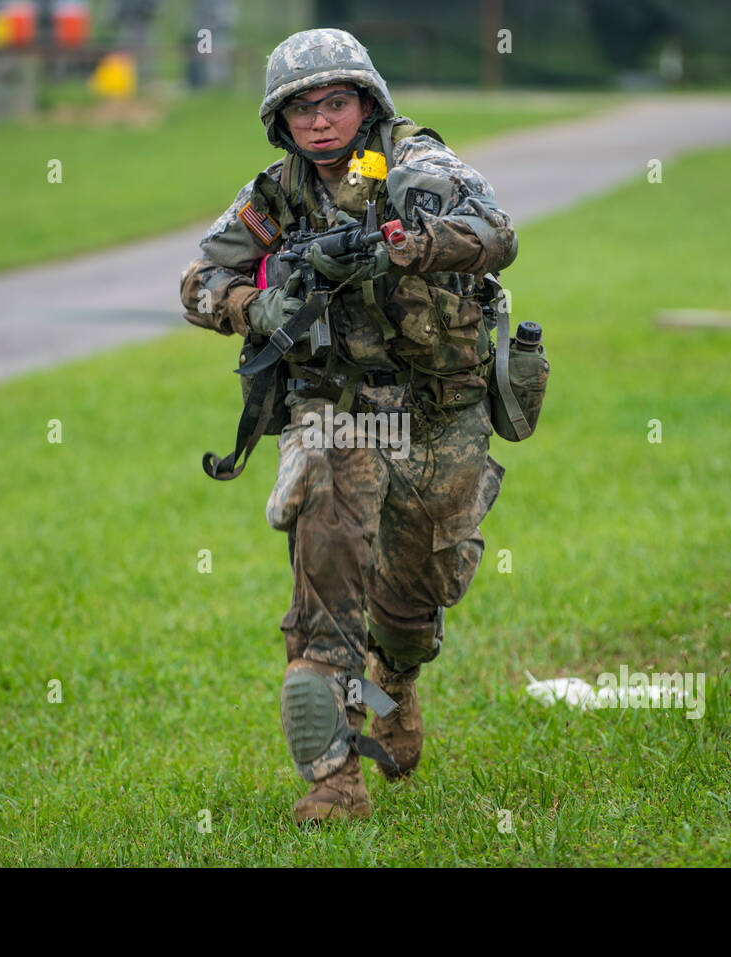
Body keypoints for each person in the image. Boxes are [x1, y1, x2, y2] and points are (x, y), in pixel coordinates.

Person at [179, 28, 517, 824]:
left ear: (366, 102)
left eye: (336, 102)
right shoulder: (276, 193)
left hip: (442, 409)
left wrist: (420, 243)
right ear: (281, 121)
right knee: (325, 590)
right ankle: (334, 781)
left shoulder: (413, 161)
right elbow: (198, 278)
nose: (322, 121)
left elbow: (499, 235)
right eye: (303, 109)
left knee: (417, 596)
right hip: (338, 413)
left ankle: (393, 681)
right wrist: (251, 305)